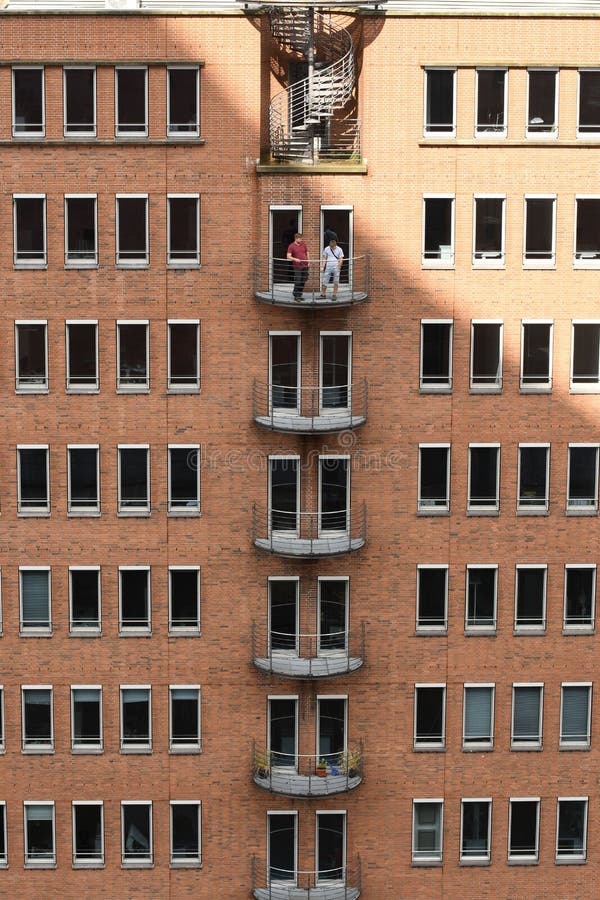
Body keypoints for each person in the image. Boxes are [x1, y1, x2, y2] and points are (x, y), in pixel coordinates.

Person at [287, 232, 309, 301]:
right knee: (298, 280)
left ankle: (299, 294)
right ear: (296, 238)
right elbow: (288, 256)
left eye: (302, 239)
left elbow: (307, 252)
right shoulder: (291, 246)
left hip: (305, 265)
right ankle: (296, 295)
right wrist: (295, 259)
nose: (301, 240)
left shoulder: (303, 245)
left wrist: (308, 261)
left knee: (304, 280)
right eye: (300, 239)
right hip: (297, 267)